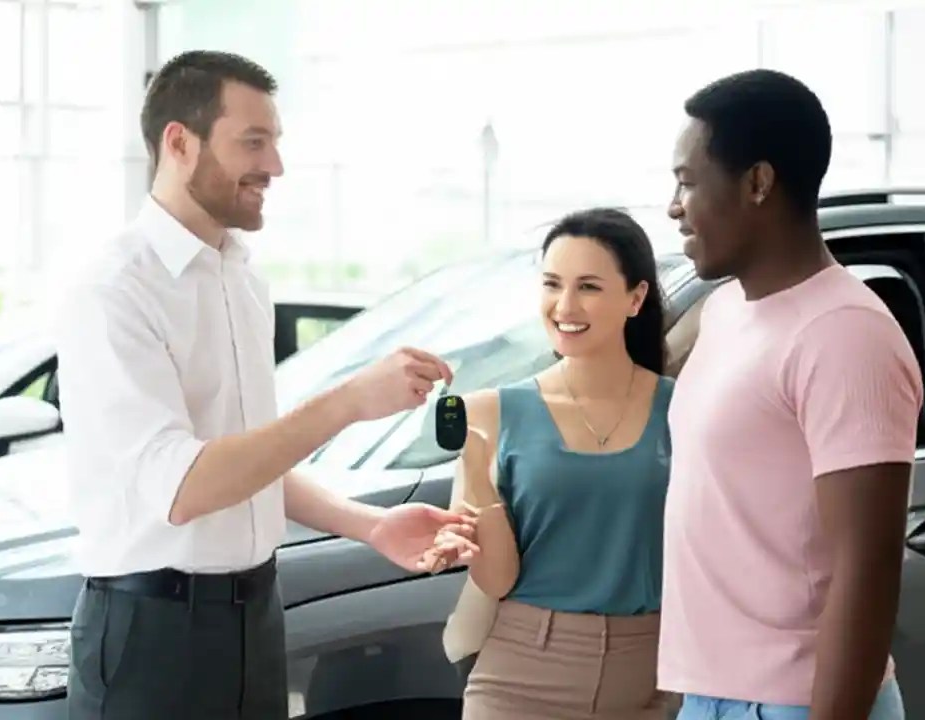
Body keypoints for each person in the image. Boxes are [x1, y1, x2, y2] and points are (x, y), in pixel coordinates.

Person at [53, 50, 478, 720]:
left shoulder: (242, 279)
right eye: (253, 142)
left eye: (275, 142)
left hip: (255, 618)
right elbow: (187, 485)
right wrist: (347, 403)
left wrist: (370, 526)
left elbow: (248, 462)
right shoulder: (115, 289)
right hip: (150, 636)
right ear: (179, 142)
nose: (274, 166)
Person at [659, 69, 922, 720]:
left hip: (794, 704)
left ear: (758, 182)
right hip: (712, 698)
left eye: (688, 182)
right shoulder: (724, 313)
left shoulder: (844, 334)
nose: (673, 206)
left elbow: (869, 571)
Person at [424, 208, 676, 719]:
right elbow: (494, 579)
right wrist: (474, 467)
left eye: (588, 287)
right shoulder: (488, 413)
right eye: (552, 284)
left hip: (649, 674)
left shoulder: (684, 407)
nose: (565, 305)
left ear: (635, 298)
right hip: (521, 677)